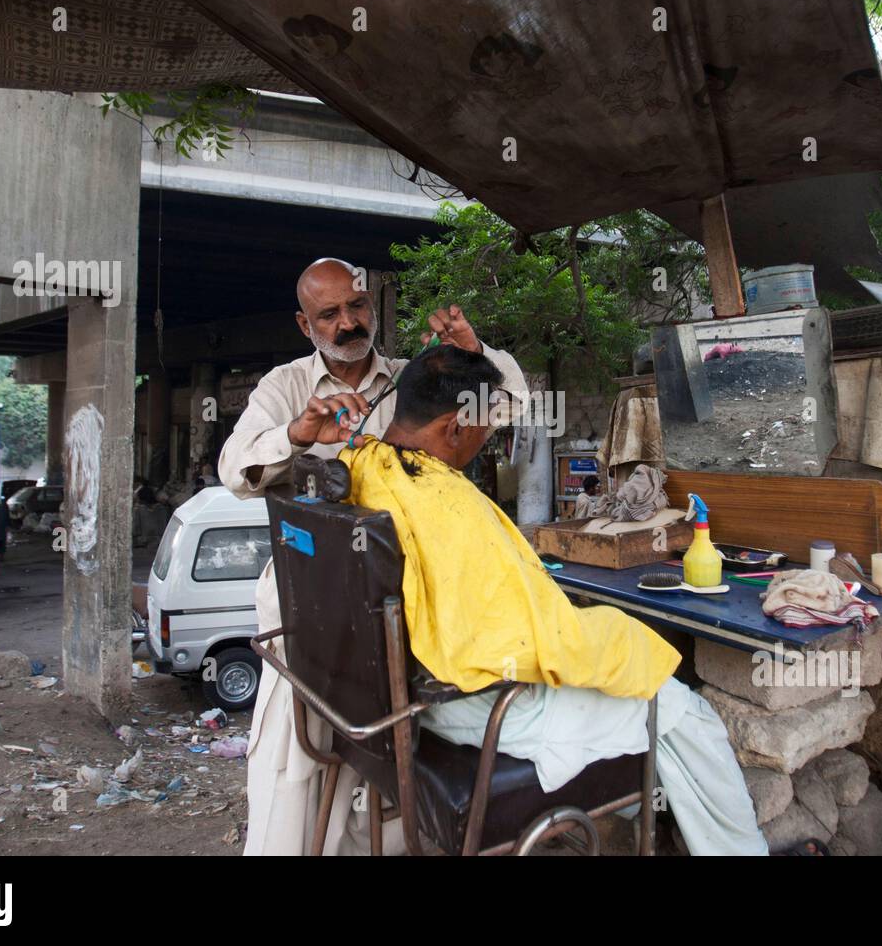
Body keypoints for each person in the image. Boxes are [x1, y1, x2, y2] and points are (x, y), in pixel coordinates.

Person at [264, 344, 768, 856]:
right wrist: (622, 637)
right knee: (681, 707)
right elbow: (542, 641)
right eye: (485, 430)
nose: (486, 444)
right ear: (457, 425)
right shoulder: (447, 504)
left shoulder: (364, 461)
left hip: (399, 700)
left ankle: (650, 815)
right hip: (481, 705)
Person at [218, 258, 526, 855]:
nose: (347, 324)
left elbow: (506, 407)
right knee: (303, 766)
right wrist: (298, 435)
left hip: (405, 603)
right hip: (309, 604)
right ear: (305, 325)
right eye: (328, 315)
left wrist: (474, 349)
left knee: (384, 764)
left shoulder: (414, 379)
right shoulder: (285, 388)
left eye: (356, 307)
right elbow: (235, 471)